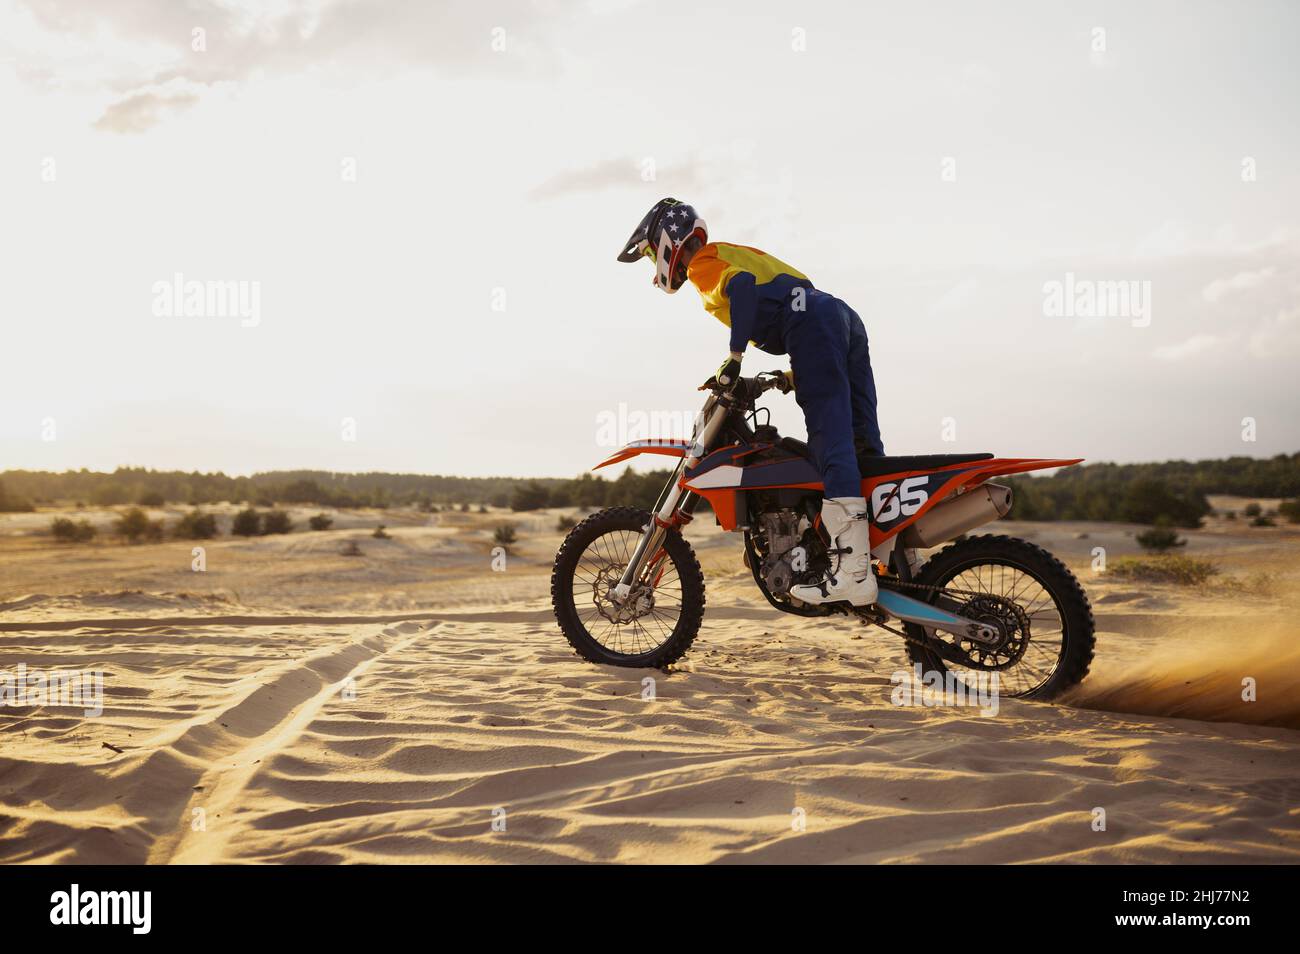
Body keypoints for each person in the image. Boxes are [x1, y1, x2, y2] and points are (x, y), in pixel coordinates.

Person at [617, 197, 883, 606]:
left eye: (653, 255)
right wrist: (792, 375)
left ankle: (854, 571)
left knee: (830, 438)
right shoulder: (731, 252)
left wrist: (735, 357)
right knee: (863, 441)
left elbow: (742, 287)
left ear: (668, 243)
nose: (655, 269)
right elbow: (797, 301)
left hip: (812, 323)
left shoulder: (703, 263)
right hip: (840, 317)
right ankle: (893, 552)